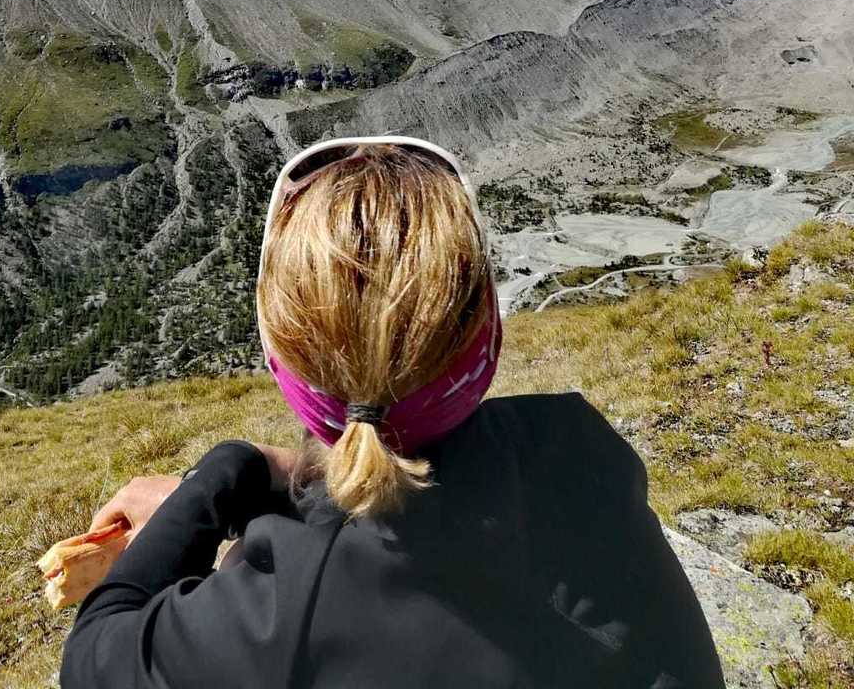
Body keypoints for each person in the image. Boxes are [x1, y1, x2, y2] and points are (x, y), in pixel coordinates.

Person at [59, 135, 726, 688]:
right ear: (486, 341)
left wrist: (218, 479)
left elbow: (93, 653)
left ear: (278, 358)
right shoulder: (578, 450)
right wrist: (277, 475)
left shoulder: (273, 618)